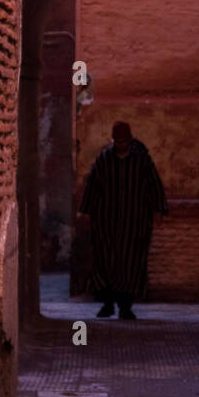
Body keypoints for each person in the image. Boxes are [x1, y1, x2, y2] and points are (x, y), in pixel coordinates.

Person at [78, 121, 168, 319]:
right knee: (105, 264)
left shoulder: (141, 160)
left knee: (130, 264)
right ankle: (108, 304)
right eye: (117, 142)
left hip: (133, 224)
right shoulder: (104, 160)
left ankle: (126, 307)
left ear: (130, 140)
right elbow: (93, 186)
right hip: (106, 223)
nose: (120, 145)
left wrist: (158, 209)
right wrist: (85, 212)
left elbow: (154, 185)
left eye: (123, 141)